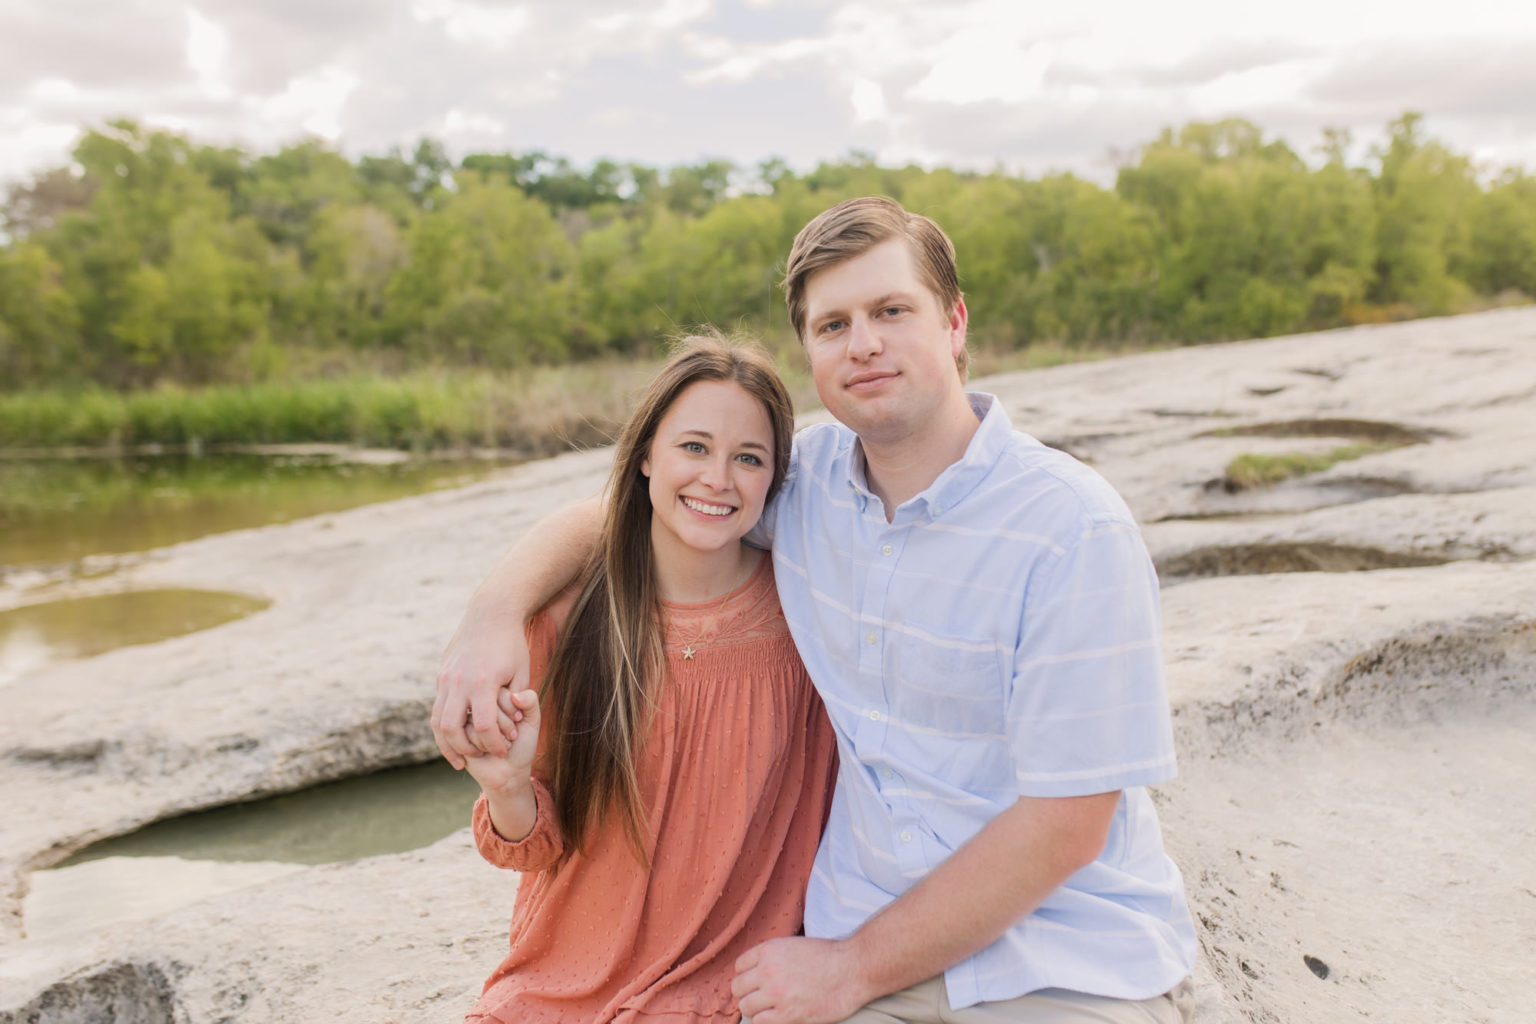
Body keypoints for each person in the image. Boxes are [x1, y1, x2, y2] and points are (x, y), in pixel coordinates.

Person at [435, 197, 1197, 1024]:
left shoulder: (1072, 529)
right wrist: (495, 610)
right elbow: (646, 506)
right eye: (832, 325)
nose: (862, 342)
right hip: (851, 944)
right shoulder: (805, 487)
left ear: (955, 323)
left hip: (1057, 958)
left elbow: (1066, 826)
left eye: (891, 311)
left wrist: (850, 970)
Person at [450, 334, 837, 1024]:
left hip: (732, 997)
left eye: (748, 458)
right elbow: (535, 845)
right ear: (645, 457)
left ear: (774, 482)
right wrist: (507, 787)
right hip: (558, 991)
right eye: (693, 447)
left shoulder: (808, 617)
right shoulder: (569, 621)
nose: (717, 478)